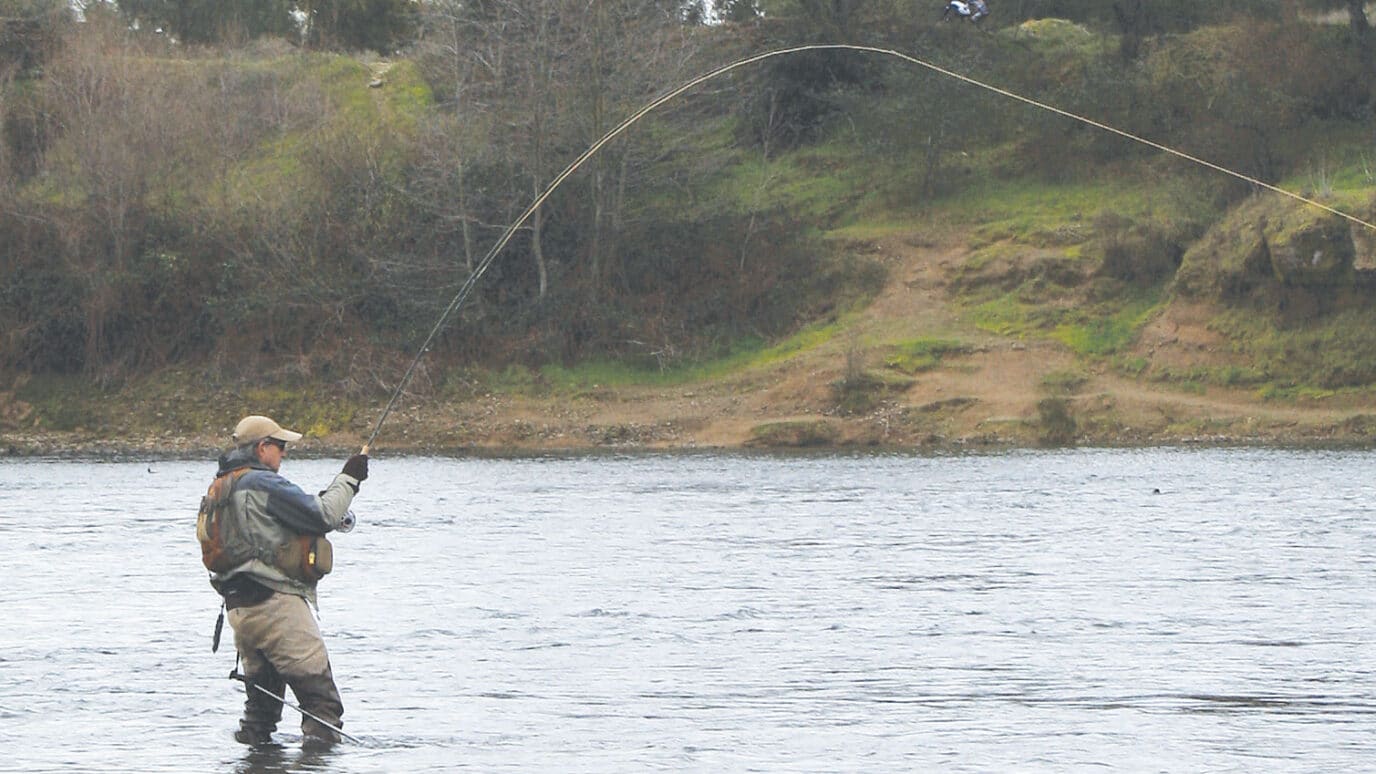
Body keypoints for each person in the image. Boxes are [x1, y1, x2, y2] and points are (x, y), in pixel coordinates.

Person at [206, 415, 368, 747]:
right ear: (262, 448)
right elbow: (324, 514)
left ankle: (253, 765)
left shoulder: (221, 487)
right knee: (322, 706)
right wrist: (350, 477)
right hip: (276, 607)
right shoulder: (265, 484)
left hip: (240, 613)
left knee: (260, 715)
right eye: (280, 447)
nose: (283, 454)